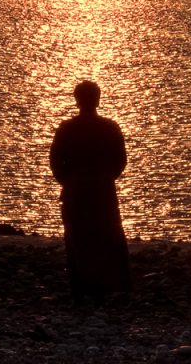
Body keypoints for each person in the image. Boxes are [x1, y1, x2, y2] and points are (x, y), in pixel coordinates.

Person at [49, 80, 131, 303]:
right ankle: (111, 286)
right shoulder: (110, 127)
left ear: (77, 99)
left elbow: (55, 161)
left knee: (78, 238)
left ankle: (82, 287)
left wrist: (69, 181)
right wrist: (104, 178)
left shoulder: (67, 128)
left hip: (78, 190)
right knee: (108, 235)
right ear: (98, 99)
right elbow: (120, 160)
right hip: (101, 190)